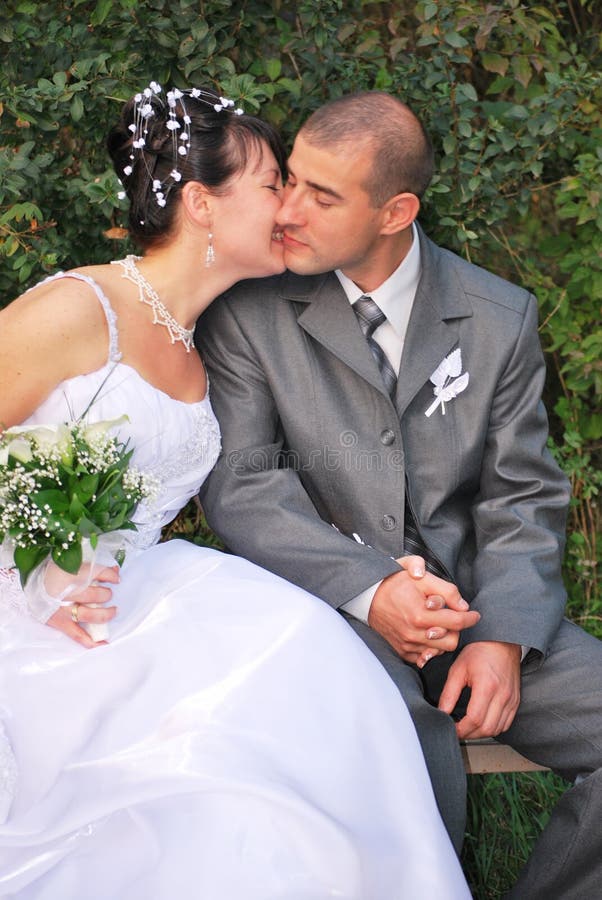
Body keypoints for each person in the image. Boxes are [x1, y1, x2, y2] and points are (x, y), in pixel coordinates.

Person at [0, 83, 471, 899]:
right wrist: (40, 560)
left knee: (303, 680)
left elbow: (274, 479)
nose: (289, 204)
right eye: (269, 182)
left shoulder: (208, 337)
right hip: (37, 624)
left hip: (139, 596)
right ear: (201, 203)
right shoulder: (79, 308)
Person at [198, 91, 602, 900]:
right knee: (398, 747)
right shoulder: (244, 312)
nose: (288, 210)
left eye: (322, 194)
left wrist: (509, 636)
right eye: (290, 181)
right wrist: (372, 588)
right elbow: (243, 486)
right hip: (328, 615)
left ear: (396, 211)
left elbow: (522, 493)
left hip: (476, 611)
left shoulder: (500, 317)